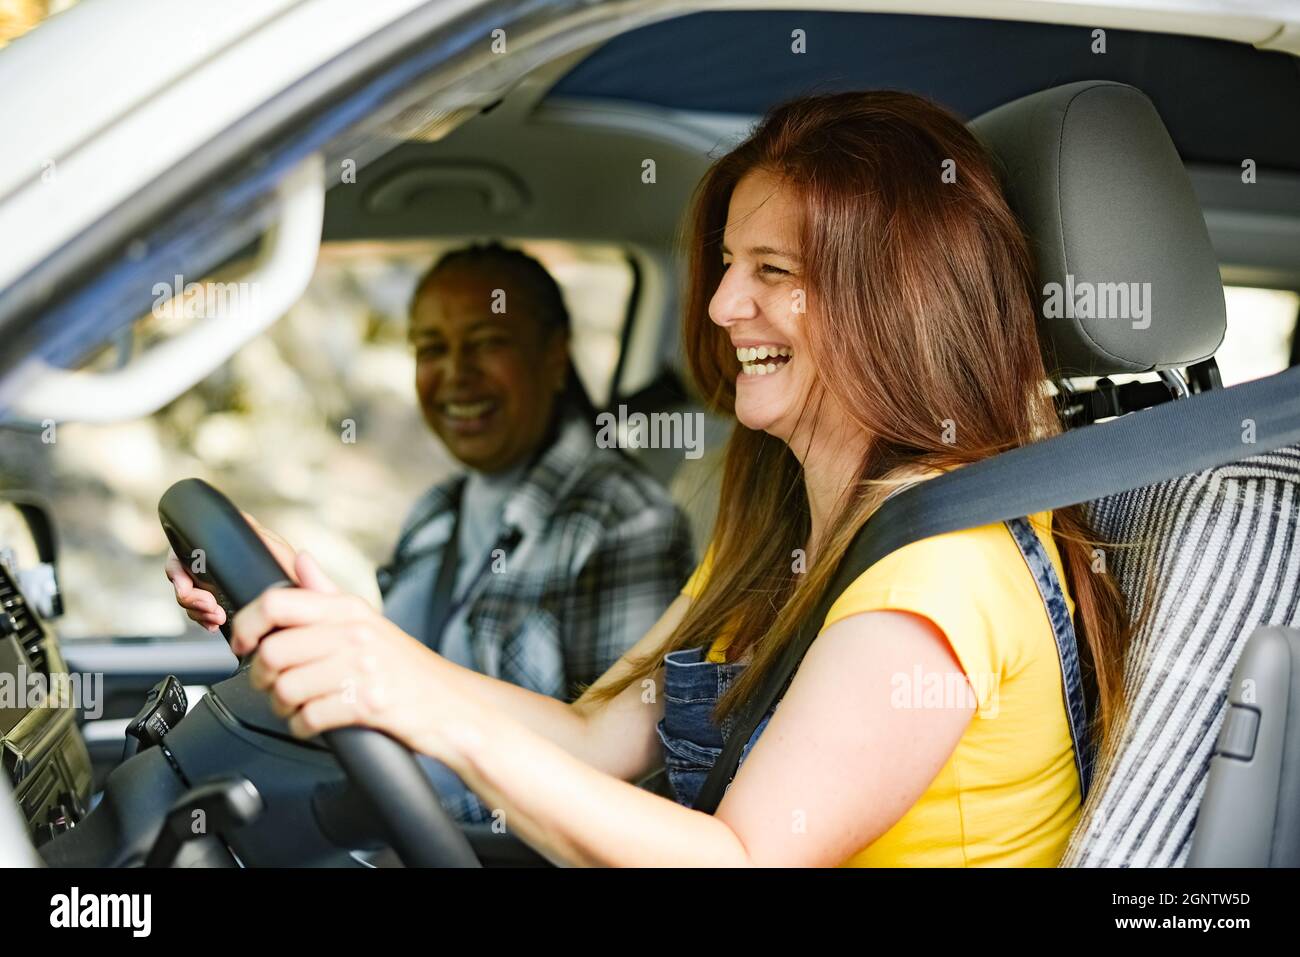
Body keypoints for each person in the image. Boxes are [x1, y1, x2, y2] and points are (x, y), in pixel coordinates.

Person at [207, 91, 1134, 865]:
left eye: (772, 271)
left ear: (889, 303)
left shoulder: (941, 573)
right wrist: (353, 640)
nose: (726, 305)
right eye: (730, 264)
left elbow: (731, 860)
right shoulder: (787, 540)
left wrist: (417, 704)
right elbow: (589, 737)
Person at [168, 242, 695, 819]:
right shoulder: (438, 511)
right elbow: (378, 681)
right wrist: (266, 605)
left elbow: (622, 790)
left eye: (488, 343)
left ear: (554, 356)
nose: (455, 375)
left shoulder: (623, 521)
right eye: (431, 348)